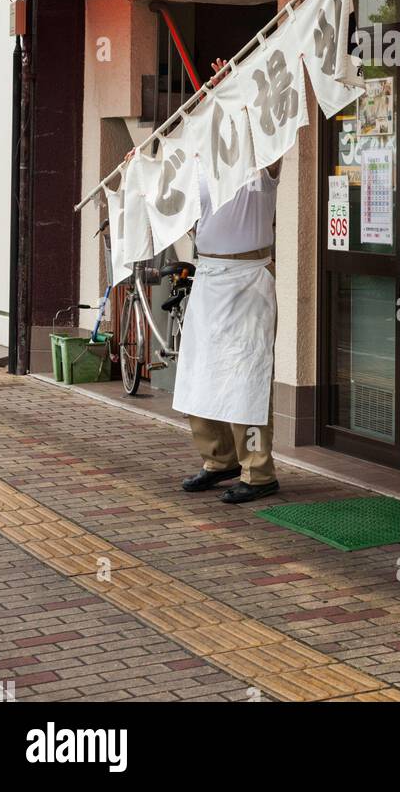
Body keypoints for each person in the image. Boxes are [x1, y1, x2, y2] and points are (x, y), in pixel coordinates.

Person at [172, 58, 282, 504]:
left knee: (246, 376)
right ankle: (218, 459)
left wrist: (245, 90)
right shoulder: (198, 163)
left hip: (249, 277)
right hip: (209, 275)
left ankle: (259, 472)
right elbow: (166, 203)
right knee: (200, 371)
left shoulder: (261, 159)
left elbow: (274, 123)